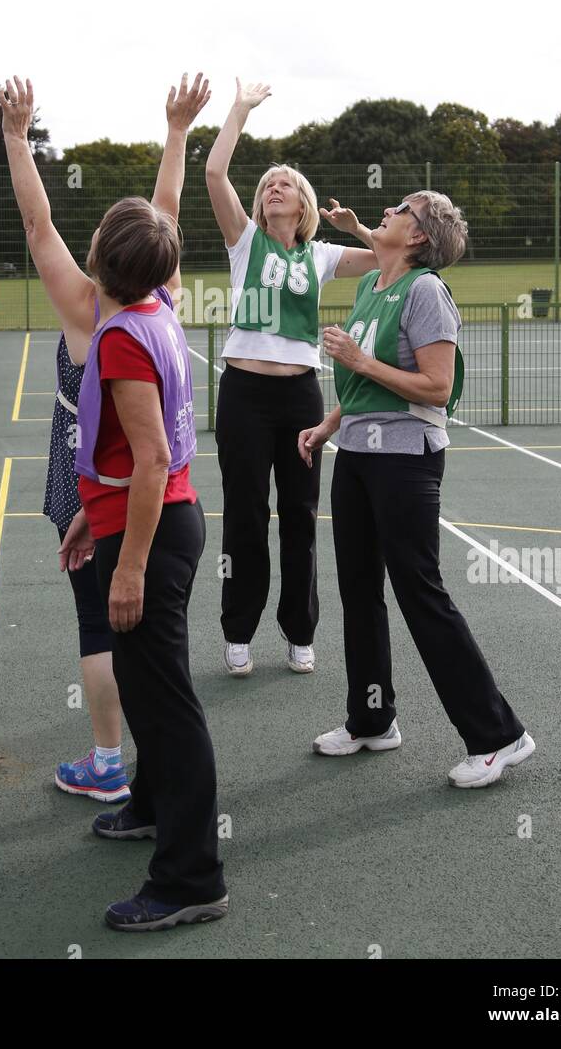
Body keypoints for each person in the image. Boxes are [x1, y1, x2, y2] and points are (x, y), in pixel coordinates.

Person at [0, 72, 210, 803]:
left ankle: (106, 762)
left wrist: (16, 140)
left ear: (104, 256)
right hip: (163, 492)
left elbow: (36, 225)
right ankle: (142, 781)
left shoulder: (92, 314)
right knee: (145, 641)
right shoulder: (162, 302)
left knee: (99, 621)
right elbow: (168, 212)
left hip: (102, 475)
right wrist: (177, 133)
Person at [299, 192, 535, 788]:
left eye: (402, 207)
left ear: (420, 236)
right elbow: (360, 389)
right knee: (358, 589)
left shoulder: (425, 291)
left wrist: (360, 359)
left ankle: (498, 735)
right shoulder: (372, 287)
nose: (389, 209)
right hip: (357, 455)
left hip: (405, 461)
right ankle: (372, 718)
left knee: (419, 593)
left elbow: (436, 386)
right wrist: (329, 425)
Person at [59, 195, 227, 932]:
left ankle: (191, 878)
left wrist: (126, 567)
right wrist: (84, 519)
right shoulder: (155, 306)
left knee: (165, 704)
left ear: (108, 259)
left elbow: (153, 459)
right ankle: (153, 806)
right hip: (151, 522)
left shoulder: (125, 336)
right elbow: (133, 461)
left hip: (152, 533)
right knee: (148, 680)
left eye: (98, 230)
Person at [205, 78, 382, 677]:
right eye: (267, 186)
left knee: (301, 517)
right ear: (259, 206)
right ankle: (238, 630)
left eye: (285, 184)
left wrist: (357, 227)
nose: (274, 188)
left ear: (303, 204)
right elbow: (213, 174)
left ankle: (300, 632)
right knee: (246, 514)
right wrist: (239, 109)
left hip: (301, 394)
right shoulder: (245, 239)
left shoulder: (322, 255)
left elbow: (388, 255)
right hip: (245, 395)